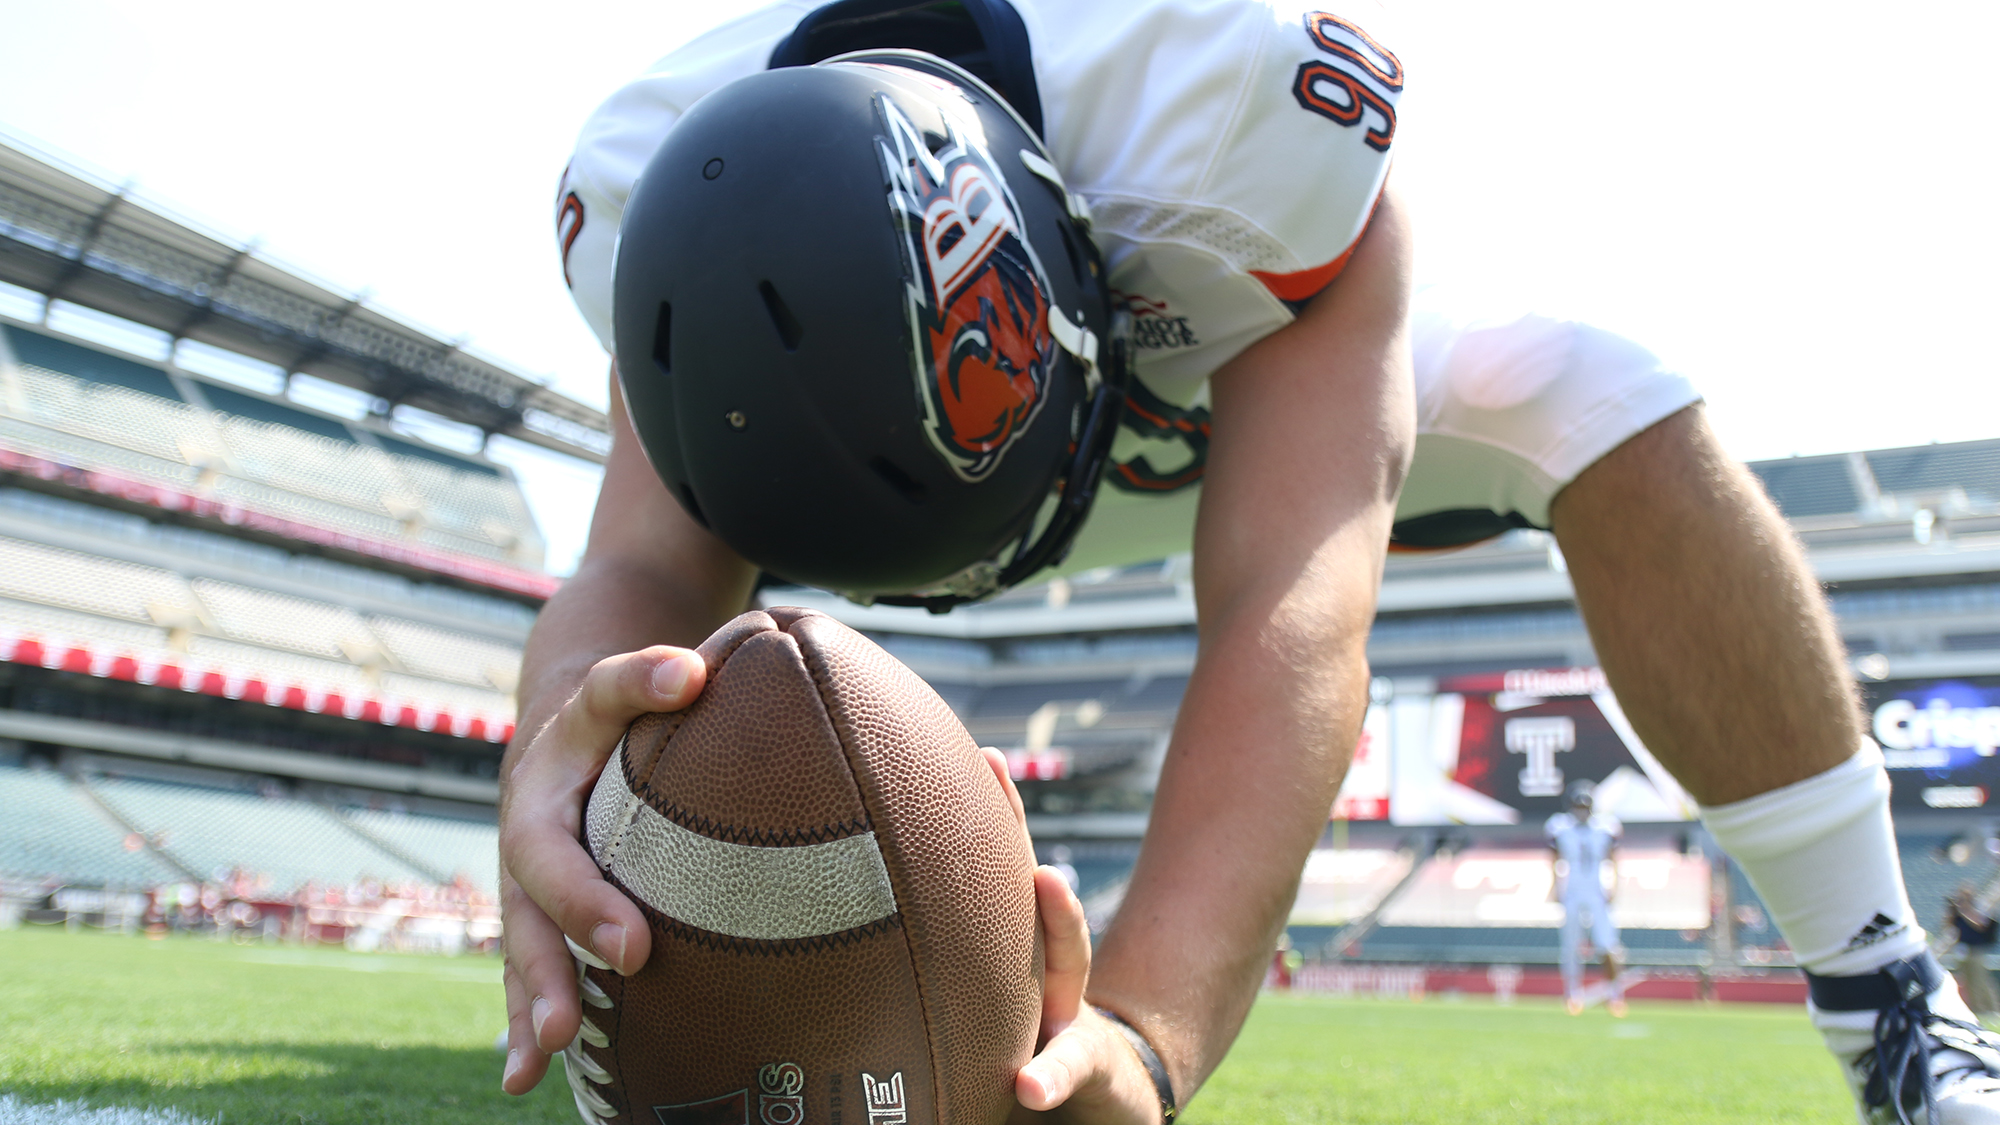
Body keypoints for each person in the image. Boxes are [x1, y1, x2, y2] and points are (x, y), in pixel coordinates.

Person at [498, 3, 2000, 1122]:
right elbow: (637, 573)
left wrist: (1144, 1035)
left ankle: (1888, 988)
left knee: (1595, 394)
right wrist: (544, 788)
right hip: (991, 429)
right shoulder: (654, 194)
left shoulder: (1226, 114)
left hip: (1207, 404)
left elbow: (1293, 614)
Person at [1546, 781, 1625, 1017]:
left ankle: (1615, 995)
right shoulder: (1560, 827)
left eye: (1585, 806)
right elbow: (1554, 858)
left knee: (1608, 946)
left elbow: (1614, 858)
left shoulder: (1605, 827)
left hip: (1597, 891)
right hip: (1572, 890)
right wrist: (1555, 886)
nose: (1581, 810)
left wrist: (1615, 887)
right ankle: (1573, 995)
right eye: (1578, 806)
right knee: (1571, 947)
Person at [1946, 884, 2000, 1023]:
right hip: (1962, 950)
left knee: (1980, 981)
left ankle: (1992, 1009)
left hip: (1976, 950)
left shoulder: (1977, 907)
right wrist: (1952, 911)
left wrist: (1964, 910)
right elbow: (1948, 926)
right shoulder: (1957, 912)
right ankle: (1977, 1009)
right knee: (1967, 981)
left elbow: (1979, 924)